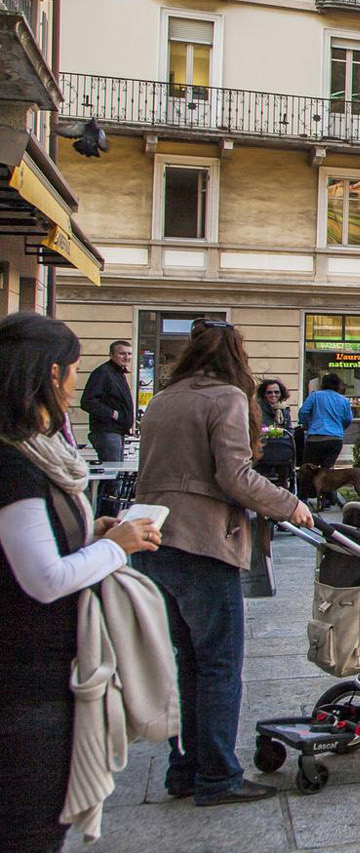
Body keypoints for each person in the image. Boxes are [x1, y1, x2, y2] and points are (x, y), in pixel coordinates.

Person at [0, 314, 164, 850]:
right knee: (32, 826)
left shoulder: (34, 454)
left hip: (42, 676)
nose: (75, 382)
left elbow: (41, 542)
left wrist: (90, 532)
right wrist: (113, 548)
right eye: (71, 370)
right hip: (27, 687)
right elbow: (44, 579)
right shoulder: (15, 465)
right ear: (49, 374)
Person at [134, 320, 312, 806]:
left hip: (155, 540)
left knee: (187, 663)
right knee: (218, 665)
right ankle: (217, 774)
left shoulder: (164, 400)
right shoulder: (227, 398)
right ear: (236, 357)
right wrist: (288, 503)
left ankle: (185, 768)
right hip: (203, 541)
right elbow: (234, 475)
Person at [80, 340, 135, 487]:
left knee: (113, 478)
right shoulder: (103, 373)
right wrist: (113, 414)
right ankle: (108, 510)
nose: (127, 357)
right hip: (107, 432)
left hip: (117, 432)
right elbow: (87, 401)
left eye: (129, 353)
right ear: (111, 355)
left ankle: (109, 508)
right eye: (122, 353)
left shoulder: (117, 373)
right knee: (112, 478)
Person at [299, 374, 353, 509]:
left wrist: (307, 424)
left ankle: (303, 498)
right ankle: (327, 500)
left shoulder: (315, 396)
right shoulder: (343, 400)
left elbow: (303, 412)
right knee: (327, 470)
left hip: (316, 438)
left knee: (308, 468)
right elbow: (348, 419)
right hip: (335, 440)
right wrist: (339, 429)